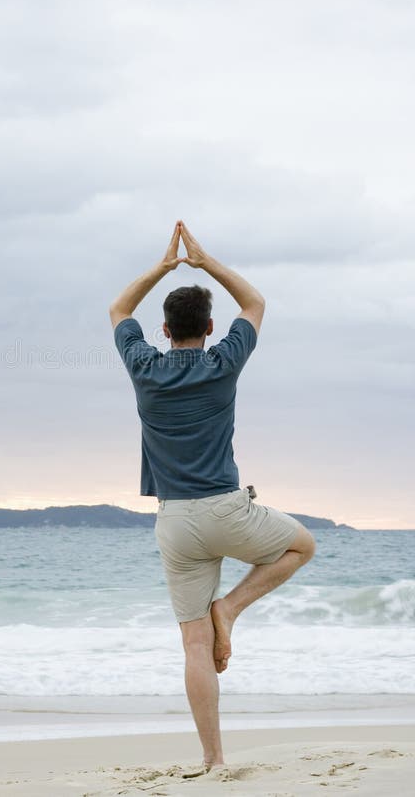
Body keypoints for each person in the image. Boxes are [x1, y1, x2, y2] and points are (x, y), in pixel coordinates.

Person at [109, 220, 316, 771]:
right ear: (208, 326)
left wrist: (163, 266)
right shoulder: (224, 362)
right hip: (227, 508)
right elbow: (255, 301)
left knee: (195, 648)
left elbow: (117, 311)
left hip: (174, 521)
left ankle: (213, 762)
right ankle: (231, 607)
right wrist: (204, 262)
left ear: (164, 329)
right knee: (302, 547)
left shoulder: (144, 366)